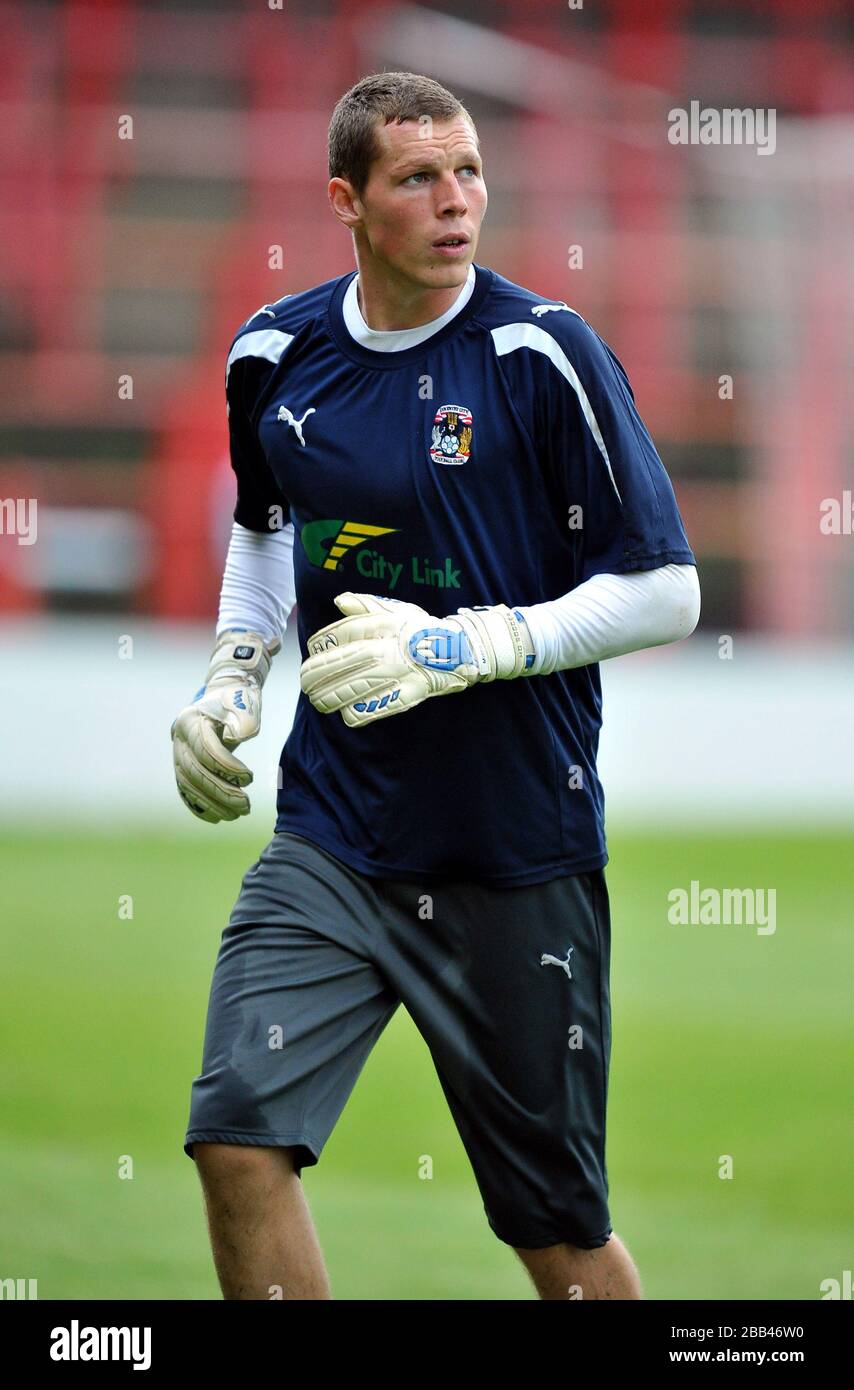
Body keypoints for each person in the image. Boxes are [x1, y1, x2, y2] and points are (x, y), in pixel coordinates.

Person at [172, 71, 700, 1301]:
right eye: (418, 178)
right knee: (233, 1136)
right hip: (334, 836)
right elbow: (263, 532)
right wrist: (232, 681)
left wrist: (459, 645)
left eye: (468, 172)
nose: (456, 201)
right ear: (346, 201)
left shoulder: (539, 352)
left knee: (555, 1233)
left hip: (515, 851)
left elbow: (666, 589)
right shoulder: (275, 353)